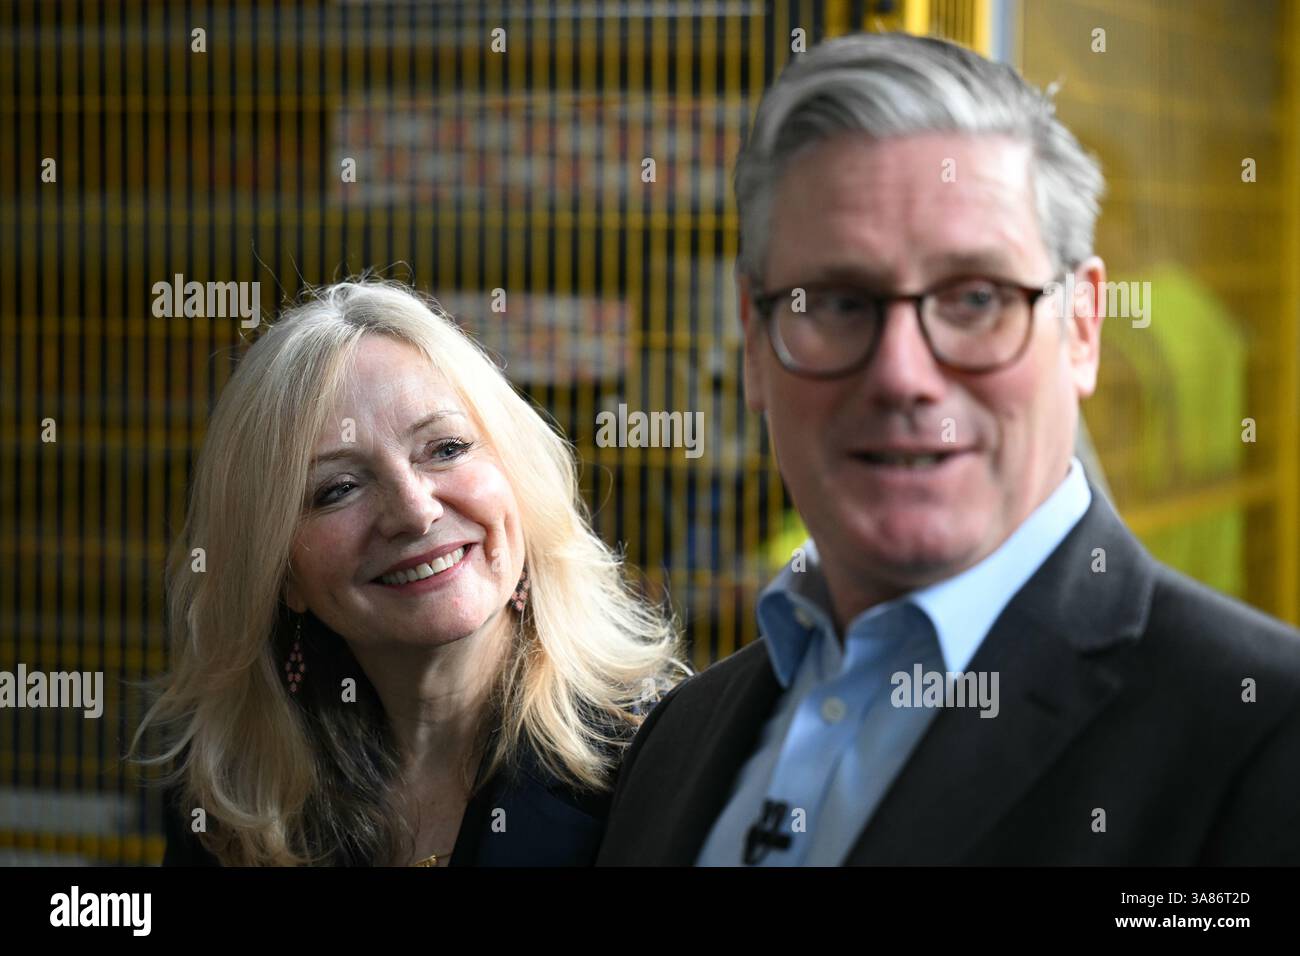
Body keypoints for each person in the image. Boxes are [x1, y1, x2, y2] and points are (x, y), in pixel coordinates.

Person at [596, 32, 1300, 866]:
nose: (902, 375)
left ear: (1081, 326)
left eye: (975, 297)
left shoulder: (1265, 744)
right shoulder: (676, 739)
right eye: (836, 301)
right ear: (754, 343)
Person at [129, 279, 686, 866]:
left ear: (516, 476)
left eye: (445, 448)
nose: (415, 511)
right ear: (281, 572)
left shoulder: (661, 757)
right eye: (338, 488)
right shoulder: (228, 795)